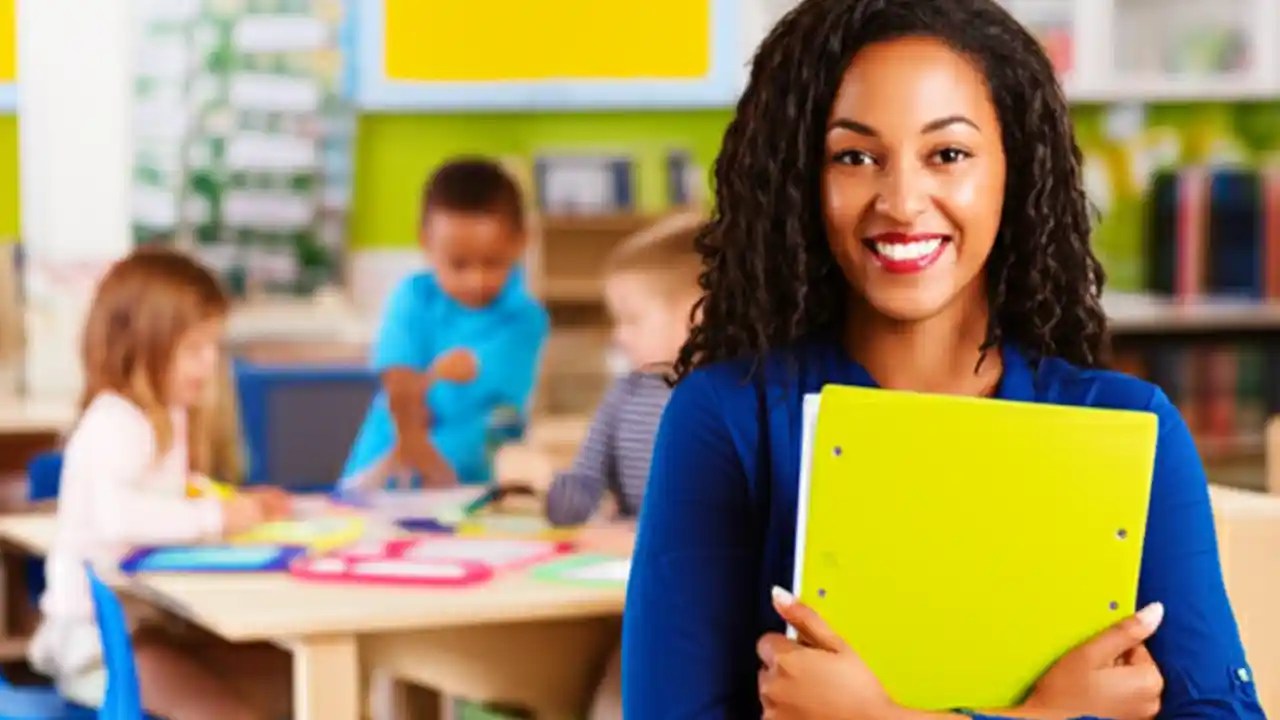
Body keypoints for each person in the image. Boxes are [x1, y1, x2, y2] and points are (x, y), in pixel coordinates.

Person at [622, 1, 1266, 719]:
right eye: (854, 157)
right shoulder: (727, 421)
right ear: (802, 179)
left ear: (1014, 170)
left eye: (948, 155)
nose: (902, 202)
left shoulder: (1130, 426)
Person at [29, 247, 292, 720]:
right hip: (97, 645)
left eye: (214, 347)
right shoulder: (116, 420)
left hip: (148, 627)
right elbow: (118, 516)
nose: (210, 364)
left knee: (289, 681)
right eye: (194, 350)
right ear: (139, 347)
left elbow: (163, 494)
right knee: (233, 711)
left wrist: (229, 501)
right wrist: (215, 517)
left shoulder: (166, 415)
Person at [496, 210, 703, 545]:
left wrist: (632, 535)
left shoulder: (729, 400)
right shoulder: (625, 395)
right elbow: (578, 501)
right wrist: (543, 479)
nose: (618, 336)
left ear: (698, 313)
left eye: (632, 319)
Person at [341, 157, 550, 489]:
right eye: (459, 264)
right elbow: (399, 376)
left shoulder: (524, 318)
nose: (476, 280)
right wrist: (412, 444)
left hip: (473, 485)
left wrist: (439, 374)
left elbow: (474, 371)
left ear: (520, 241)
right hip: (387, 472)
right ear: (426, 242)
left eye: (493, 263)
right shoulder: (413, 298)